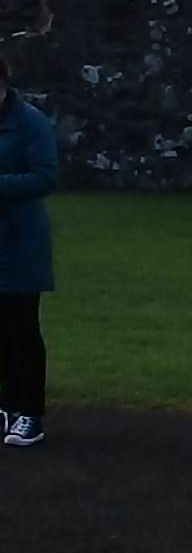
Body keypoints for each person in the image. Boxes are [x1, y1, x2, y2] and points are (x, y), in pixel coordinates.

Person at [0, 51, 51, 448]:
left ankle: (30, 413)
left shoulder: (30, 122)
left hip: (18, 242)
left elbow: (45, 176)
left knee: (21, 330)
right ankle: (5, 406)